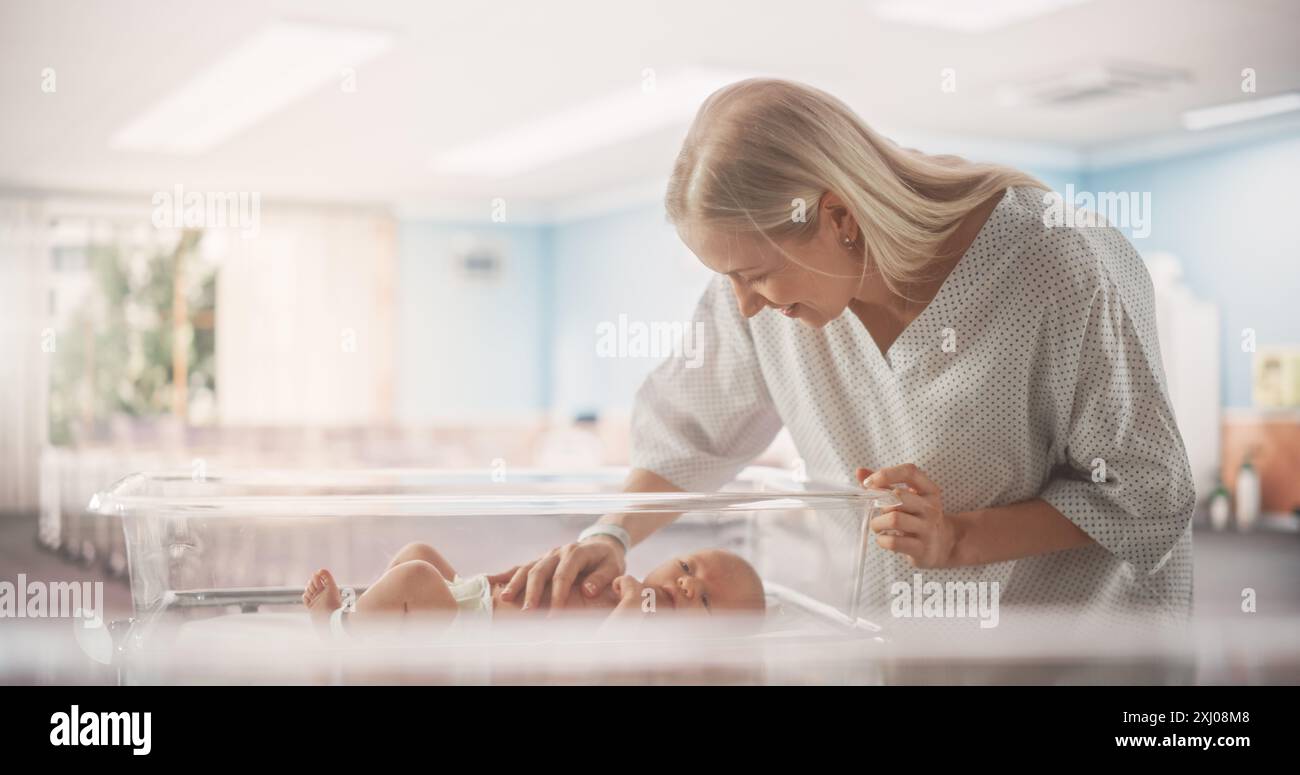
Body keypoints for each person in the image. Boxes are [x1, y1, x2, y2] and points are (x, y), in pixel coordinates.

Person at [488, 77, 1196, 625]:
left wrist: (957, 538)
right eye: (727, 278)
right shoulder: (761, 301)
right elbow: (689, 436)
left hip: (1081, 655)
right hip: (898, 649)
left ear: (839, 217)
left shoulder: (1056, 264)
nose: (744, 303)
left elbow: (1148, 494)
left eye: (753, 275)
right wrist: (611, 535)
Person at [302, 541, 766, 639]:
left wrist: (629, 606)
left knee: (416, 577)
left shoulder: (650, 644)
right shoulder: (615, 580)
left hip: (471, 643)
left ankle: (340, 632)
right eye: (686, 566)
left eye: (707, 600)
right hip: (479, 604)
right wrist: (493, 582)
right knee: (418, 554)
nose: (687, 583)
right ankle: (376, 624)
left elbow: (600, 663)